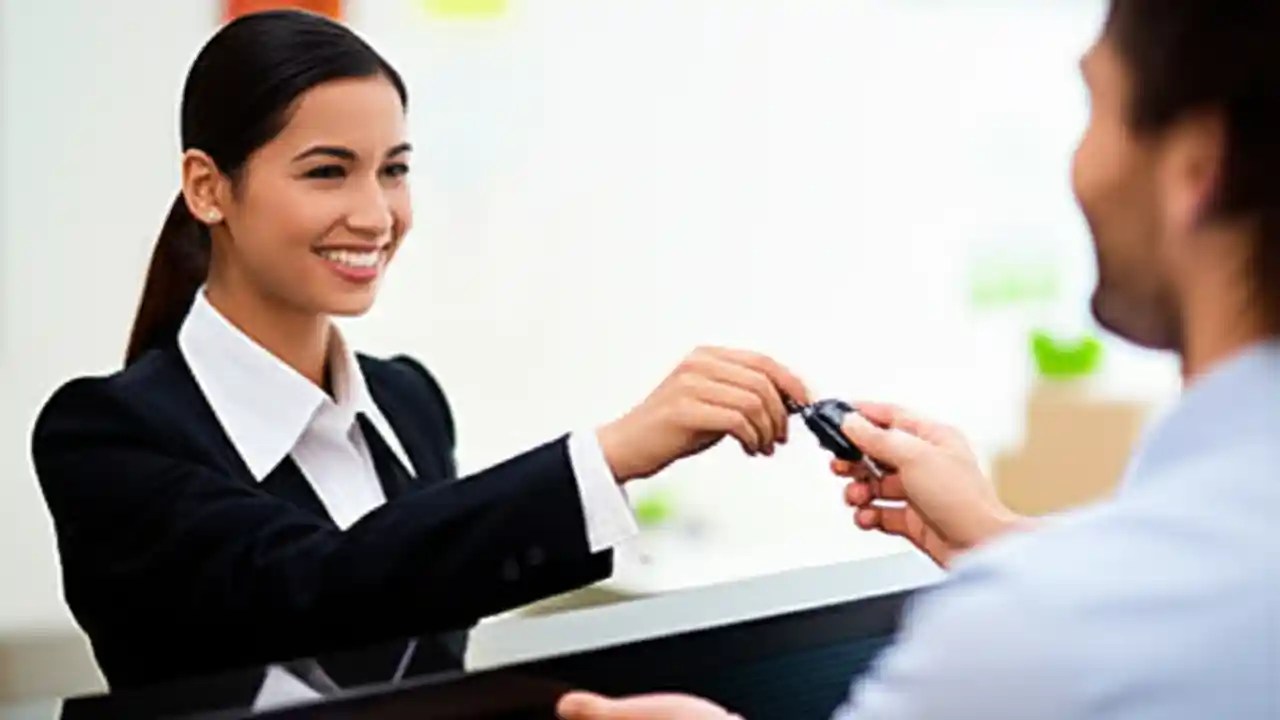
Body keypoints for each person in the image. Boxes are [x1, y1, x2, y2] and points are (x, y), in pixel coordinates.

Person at [30, 10, 810, 690]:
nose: (376, 214)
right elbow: (318, 590)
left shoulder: (408, 404)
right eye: (327, 172)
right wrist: (608, 456)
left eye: (394, 171)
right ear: (208, 188)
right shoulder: (105, 435)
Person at [557, 1, 1280, 718]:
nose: (1080, 164)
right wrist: (1000, 536)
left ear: (1197, 169)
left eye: (1096, 108)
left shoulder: (1032, 633)